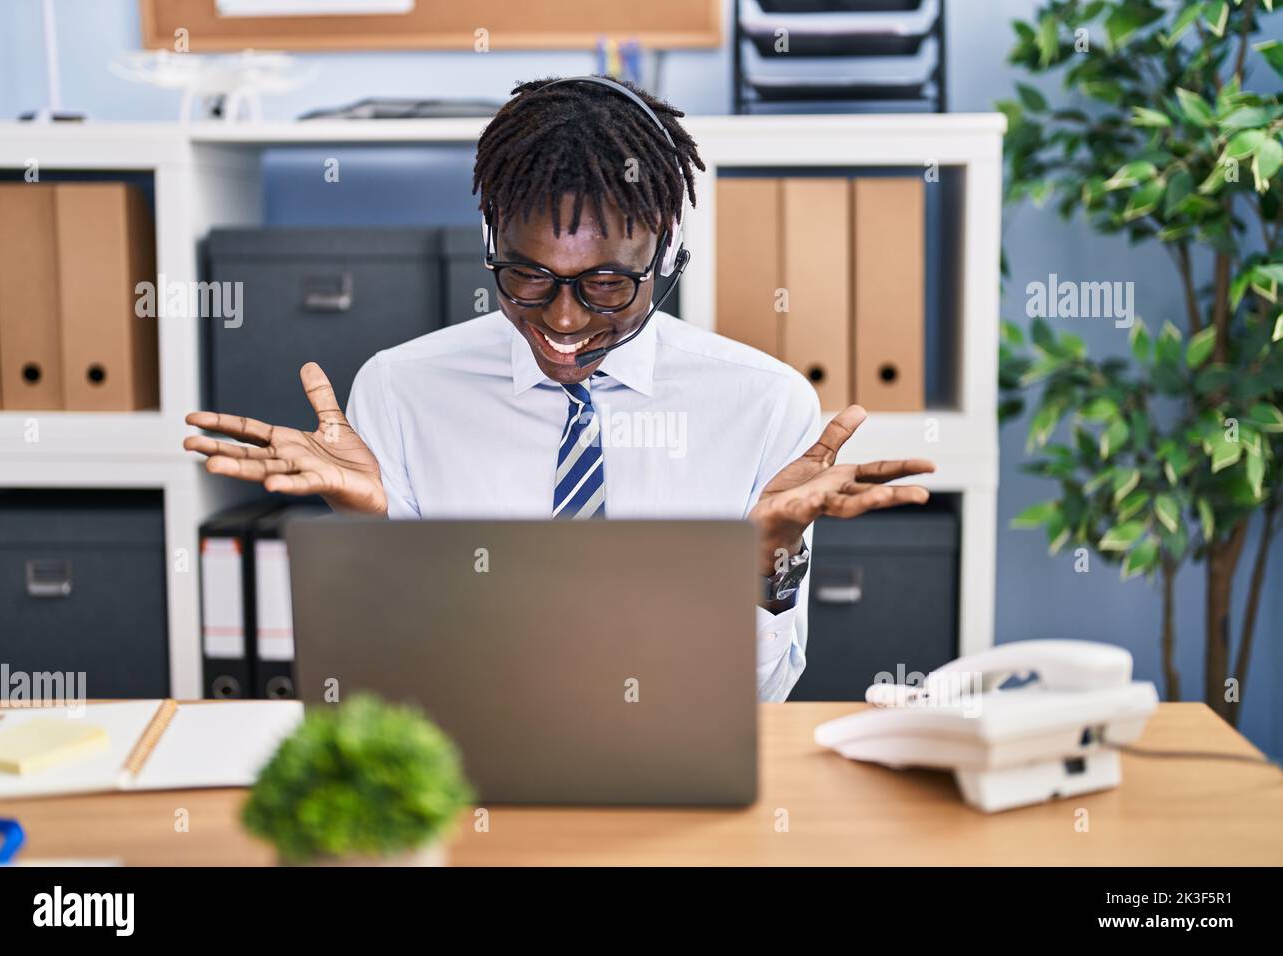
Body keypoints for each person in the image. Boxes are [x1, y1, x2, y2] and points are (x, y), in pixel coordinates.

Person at [183, 75, 935, 701]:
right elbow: (394, 670)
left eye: (607, 282)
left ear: (668, 252)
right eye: (527, 276)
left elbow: (760, 699)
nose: (565, 318)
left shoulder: (765, 406)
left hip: (673, 766)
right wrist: (372, 522)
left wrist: (768, 557)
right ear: (489, 244)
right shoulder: (400, 390)